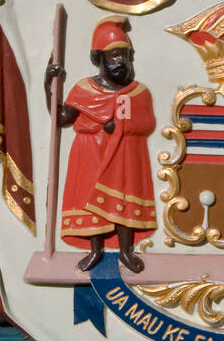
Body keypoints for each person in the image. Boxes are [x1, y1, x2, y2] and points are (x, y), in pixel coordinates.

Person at [47, 17, 157, 272]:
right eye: (114, 55)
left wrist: (119, 126)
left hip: (124, 155)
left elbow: (146, 123)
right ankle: (95, 251)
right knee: (89, 200)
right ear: (99, 58)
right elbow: (62, 117)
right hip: (90, 154)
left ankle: (125, 252)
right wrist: (48, 83)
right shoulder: (84, 89)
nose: (121, 62)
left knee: (123, 200)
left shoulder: (138, 92)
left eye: (125, 55)